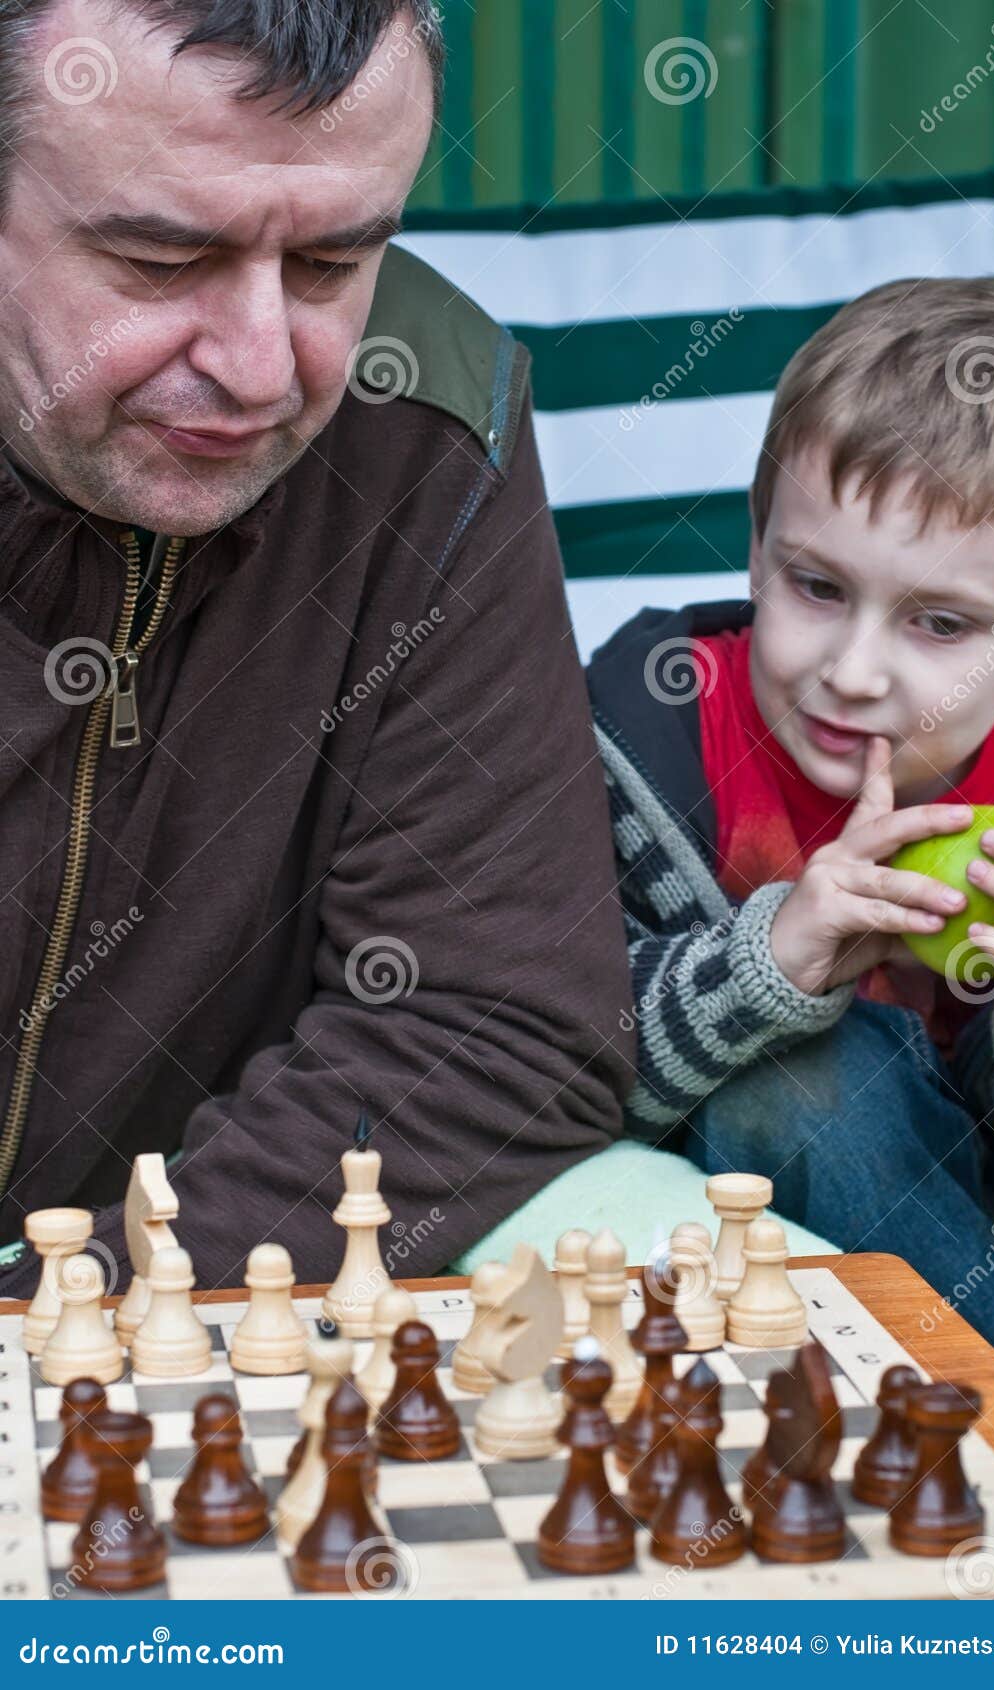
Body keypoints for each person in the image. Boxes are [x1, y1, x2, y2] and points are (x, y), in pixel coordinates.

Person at [0, 0, 635, 1294]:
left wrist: (74, 1310)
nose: (258, 368)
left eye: (334, 264)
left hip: (174, 1288)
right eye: (160, 262)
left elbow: (497, 1017)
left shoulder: (429, 411)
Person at [586, 275, 994, 1409]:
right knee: (809, 1083)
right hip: (780, 1259)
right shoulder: (639, 739)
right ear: (754, 549)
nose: (851, 671)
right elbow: (535, 1068)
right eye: (814, 587)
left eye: (938, 623)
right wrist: (770, 963)